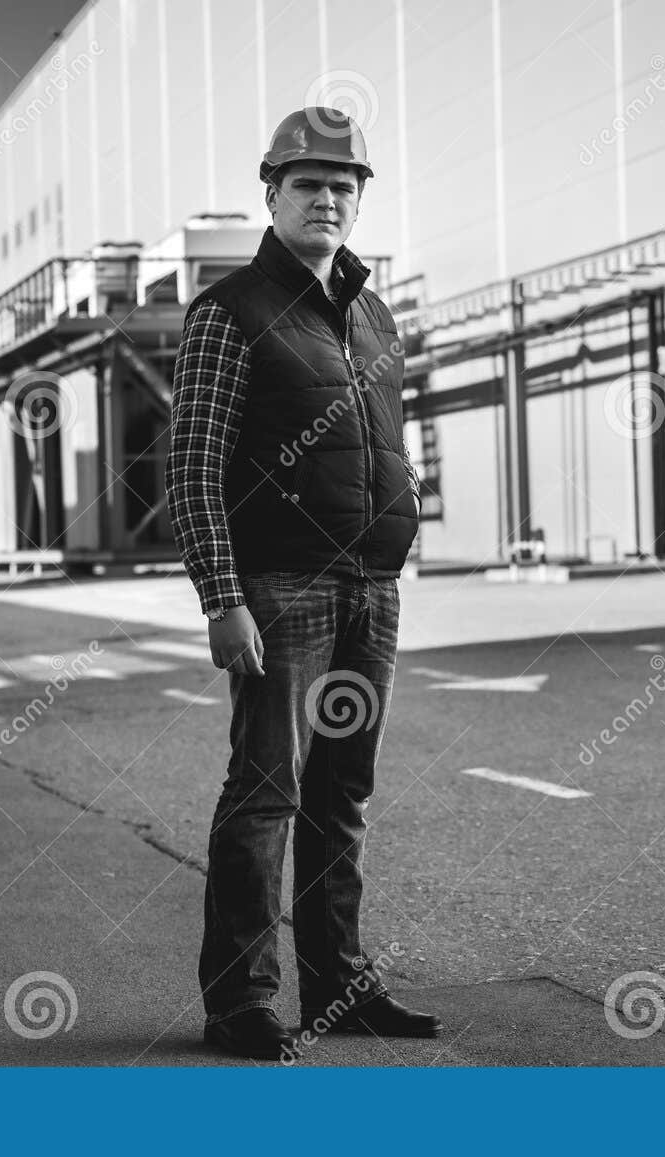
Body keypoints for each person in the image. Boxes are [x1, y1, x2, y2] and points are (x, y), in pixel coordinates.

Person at [165, 106, 439, 1061]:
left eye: (343, 185)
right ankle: (241, 1002)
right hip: (280, 589)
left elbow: (385, 439)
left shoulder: (373, 315)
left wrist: (405, 506)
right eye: (308, 184)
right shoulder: (229, 311)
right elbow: (193, 465)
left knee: (341, 795)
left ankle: (338, 984)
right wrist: (220, 596)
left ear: (360, 199)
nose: (327, 198)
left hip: (372, 586)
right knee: (266, 793)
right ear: (272, 194)